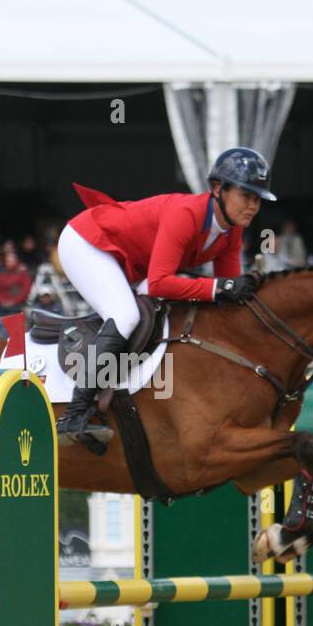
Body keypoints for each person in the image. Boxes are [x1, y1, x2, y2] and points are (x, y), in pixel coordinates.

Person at [54, 147, 272, 446]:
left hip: (130, 262)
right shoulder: (187, 214)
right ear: (217, 189)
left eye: (258, 199)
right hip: (87, 242)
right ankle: (73, 415)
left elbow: (228, 293)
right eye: (246, 195)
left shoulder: (232, 230)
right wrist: (219, 288)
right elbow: (159, 283)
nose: (252, 206)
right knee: (125, 315)